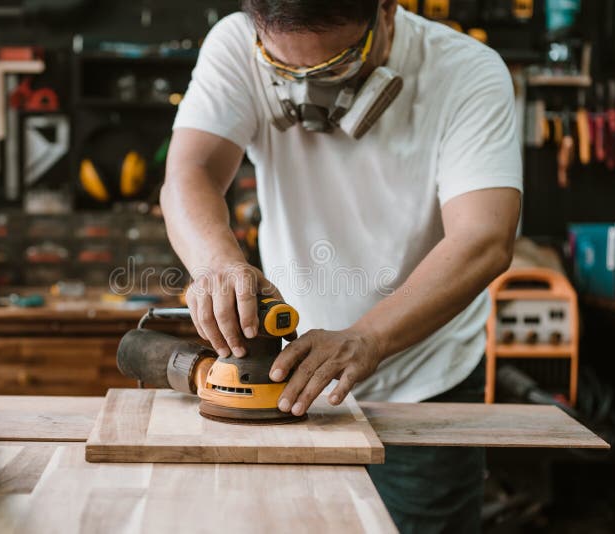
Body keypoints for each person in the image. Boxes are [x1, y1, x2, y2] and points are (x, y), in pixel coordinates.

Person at [161, 1, 522, 531]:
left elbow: (484, 237)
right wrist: (217, 264)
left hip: (422, 384)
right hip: (287, 386)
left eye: (334, 68)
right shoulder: (237, 44)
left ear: (387, 12)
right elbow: (188, 172)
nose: (307, 90)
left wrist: (368, 338)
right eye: (283, 70)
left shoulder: (466, 71)